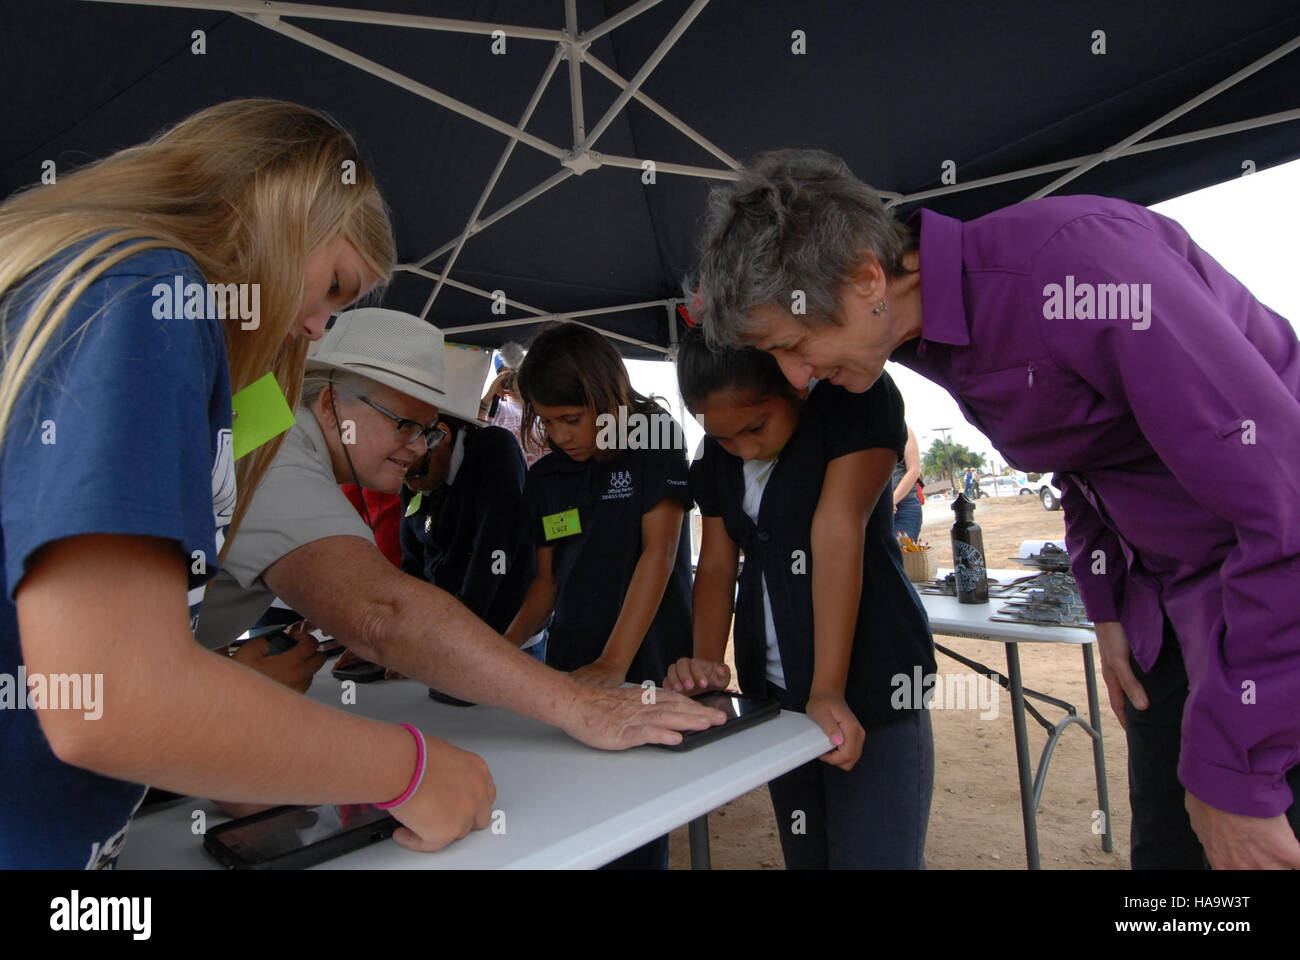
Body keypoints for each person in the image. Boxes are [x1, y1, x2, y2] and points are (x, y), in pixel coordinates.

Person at [690, 147, 1300, 869]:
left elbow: (1285, 502)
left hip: (1270, 618)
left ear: (865, 279)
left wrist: (1237, 766)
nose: (795, 378)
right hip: (1166, 621)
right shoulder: (924, 343)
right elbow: (1087, 456)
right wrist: (1106, 602)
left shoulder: (1074, 266)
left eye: (794, 346)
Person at [0, 99, 499, 867]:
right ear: (278, 218)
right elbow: (114, 697)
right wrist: (408, 769)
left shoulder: (125, 303)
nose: (316, 328)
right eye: (333, 287)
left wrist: (233, 742)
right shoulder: (149, 290)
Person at [192, 308, 723, 779]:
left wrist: (221, 676)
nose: (419, 449)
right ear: (330, 404)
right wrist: (573, 702)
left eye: (430, 432)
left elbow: (186, 598)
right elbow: (383, 614)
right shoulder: (275, 455)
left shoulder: (259, 424)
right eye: (405, 425)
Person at [668, 330, 935, 867]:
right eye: (722, 437)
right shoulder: (718, 454)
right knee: (805, 854)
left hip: (871, 686)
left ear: (796, 380)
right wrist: (704, 664)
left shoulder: (857, 404)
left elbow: (839, 531)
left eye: (755, 427)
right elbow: (718, 565)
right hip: (778, 699)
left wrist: (828, 690)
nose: (743, 448)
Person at [505, 322, 695, 868]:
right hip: (572, 667)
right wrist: (505, 645)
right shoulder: (548, 478)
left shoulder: (654, 437)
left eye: (572, 419)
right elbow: (545, 584)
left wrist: (615, 662)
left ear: (607, 398)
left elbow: (657, 555)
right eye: (546, 421)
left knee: (636, 827)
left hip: (647, 665)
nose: (561, 435)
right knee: (578, 816)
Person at [399, 344, 542, 665]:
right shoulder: (412, 467)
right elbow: (413, 561)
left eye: (417, 475)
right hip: (446, 634)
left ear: (443, 436)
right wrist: (403, 633)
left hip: (502, 636)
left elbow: (494, 552)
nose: (411, 486)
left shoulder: (493, 450)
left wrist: (457, 640)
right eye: (404, 479)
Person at [892, 423, 923, 541]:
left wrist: (892, 501)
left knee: (903, 555)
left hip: (904, 506)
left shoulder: (904, 430)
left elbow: (914, 471)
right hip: (874, 509)